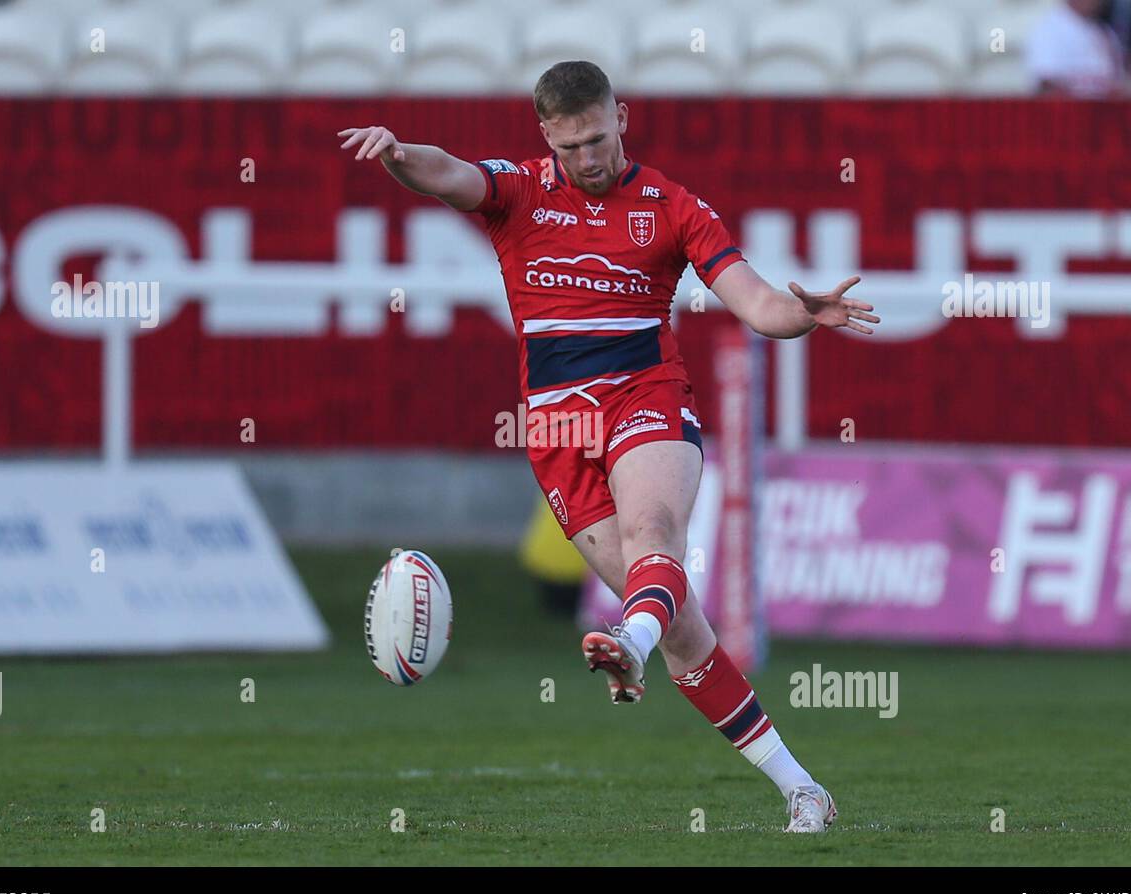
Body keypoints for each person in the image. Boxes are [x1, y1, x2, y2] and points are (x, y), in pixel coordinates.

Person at [339, 60, 878, 832]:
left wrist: (802, 315)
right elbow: (448, 175)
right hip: (557, 429)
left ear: (621, 116)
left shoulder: (671, 206)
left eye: (598, 138)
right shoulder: (520, 191)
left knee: (653, 536)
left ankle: (629, 638)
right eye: (572, 147)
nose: (588, 159)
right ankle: (802, 787)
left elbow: (756, 301)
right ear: (546, 138)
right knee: (681, 626)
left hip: (644, 397)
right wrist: (397, 154)